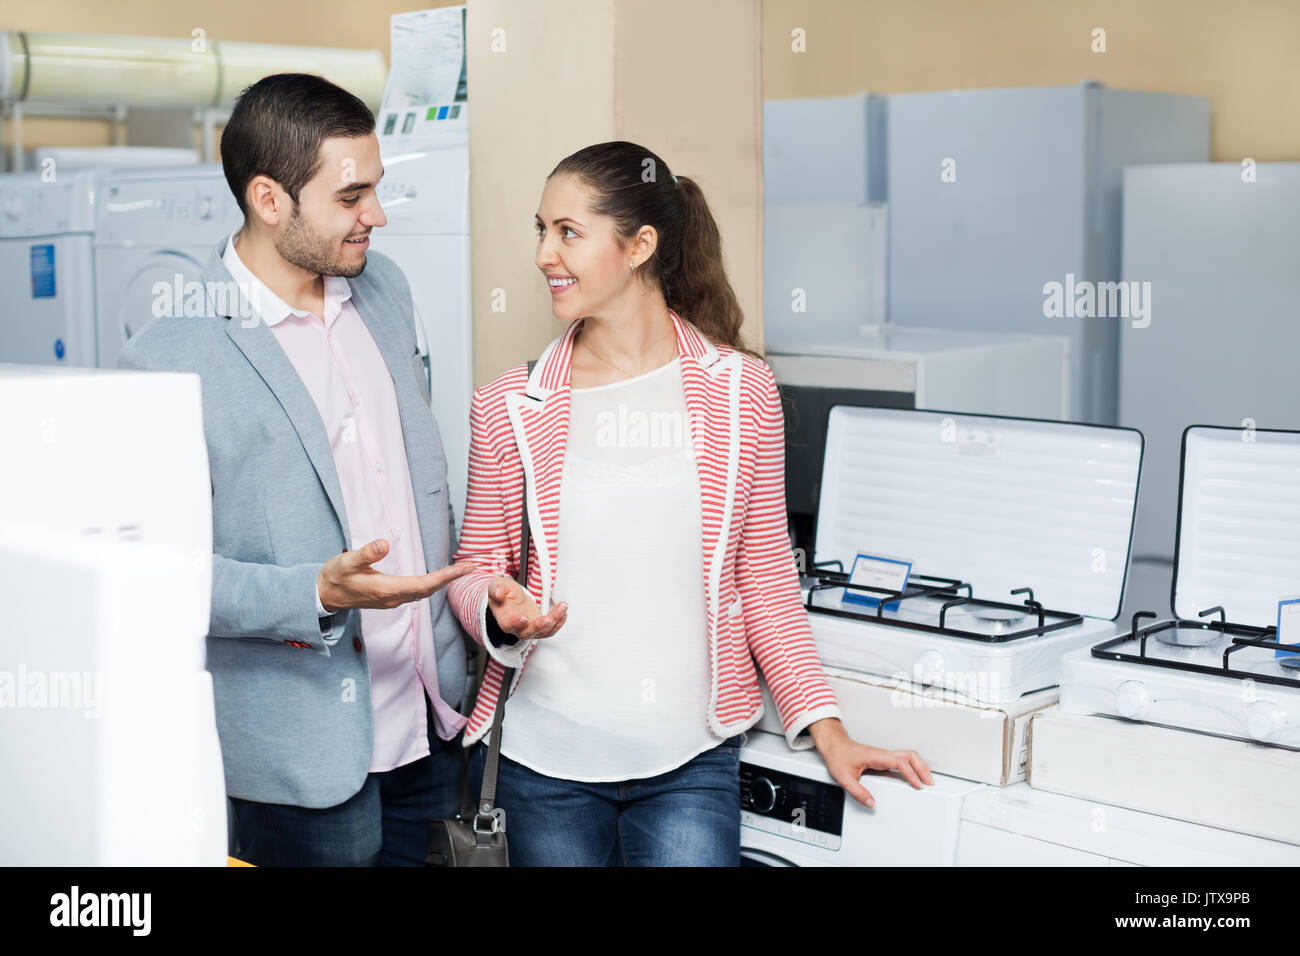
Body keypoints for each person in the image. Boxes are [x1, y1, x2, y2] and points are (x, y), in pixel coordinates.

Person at [448, 141, 934, 867]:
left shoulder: (742, 392)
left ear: (640, 245)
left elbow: (766, 578)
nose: (545, 253)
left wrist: (826, 729)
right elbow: (471, 567)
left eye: (568, 232)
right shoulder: (510, 405)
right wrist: (495, 608)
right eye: (540, 229)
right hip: (542, 766)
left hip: (689, 765)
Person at [116, 73, 474, 866]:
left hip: (431, 723)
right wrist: (312, 592)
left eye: (375, 190)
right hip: (300, 764)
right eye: (351, 197)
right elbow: (158, 575)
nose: (375, 215)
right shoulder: (168, 357)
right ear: (269, 199)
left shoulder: (384, 290)